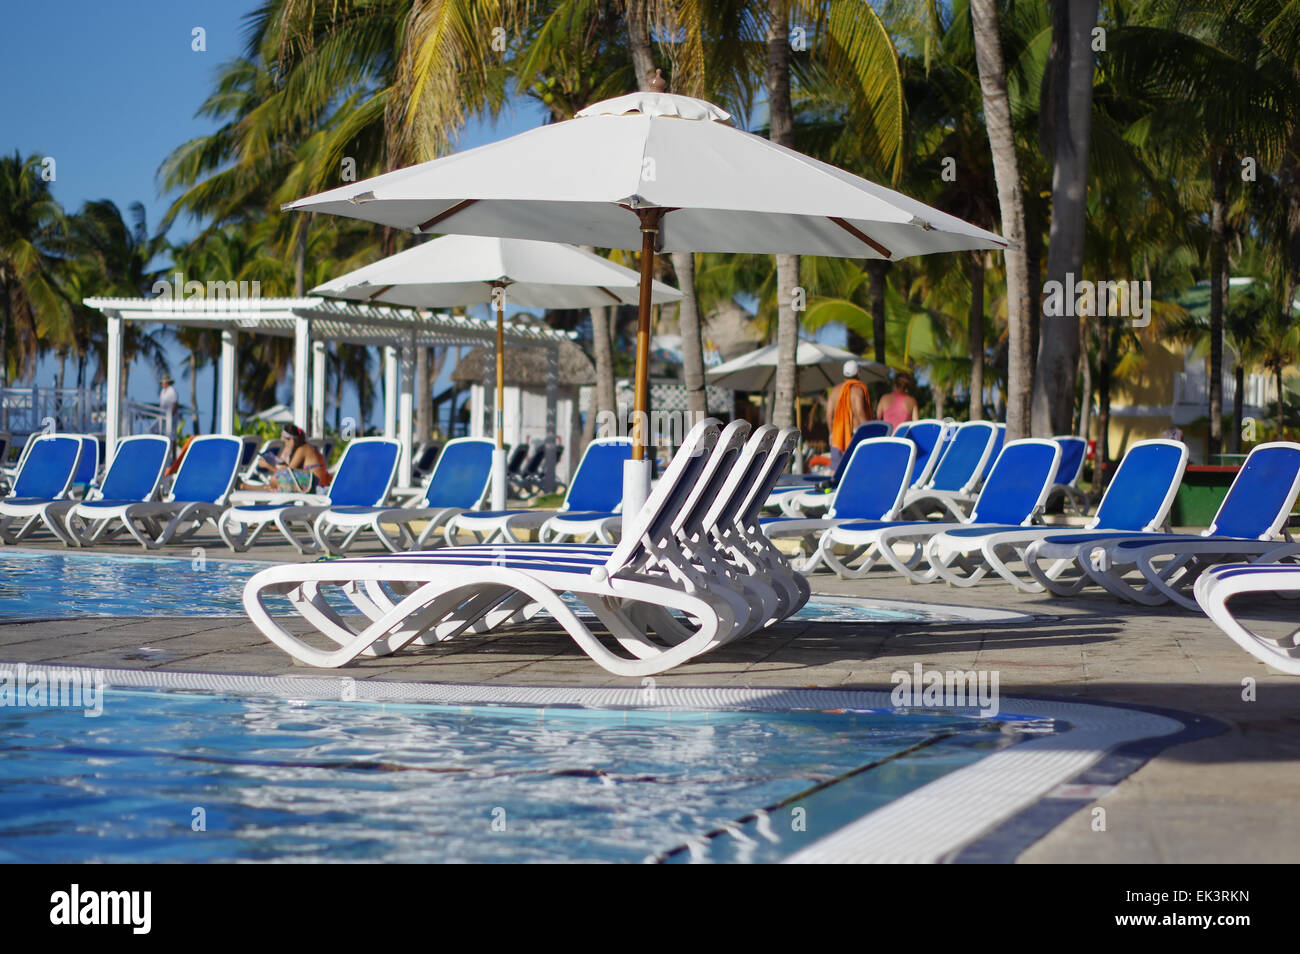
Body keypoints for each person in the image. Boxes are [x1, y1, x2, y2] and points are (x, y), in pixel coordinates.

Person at [249, 425, 331, 492]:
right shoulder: (306, 448)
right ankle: (248, 487)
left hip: (315, 486)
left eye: (285, 442)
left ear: (292, 440)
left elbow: (288, 474)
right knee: (277, 481)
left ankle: (248, 487)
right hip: (316, 483)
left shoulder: (302, 450)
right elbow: (291, 471)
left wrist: (267, 465)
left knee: (276, 478)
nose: (285, 445)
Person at [826, 360, 873, 470]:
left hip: (837, 436)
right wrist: (871, 431)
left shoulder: (834, 391)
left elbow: (828, 415)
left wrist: (831, 433)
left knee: (836, 472)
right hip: (854, 435)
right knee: (857, 470)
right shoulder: (858, 390)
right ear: (859, 374)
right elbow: (860, 413)